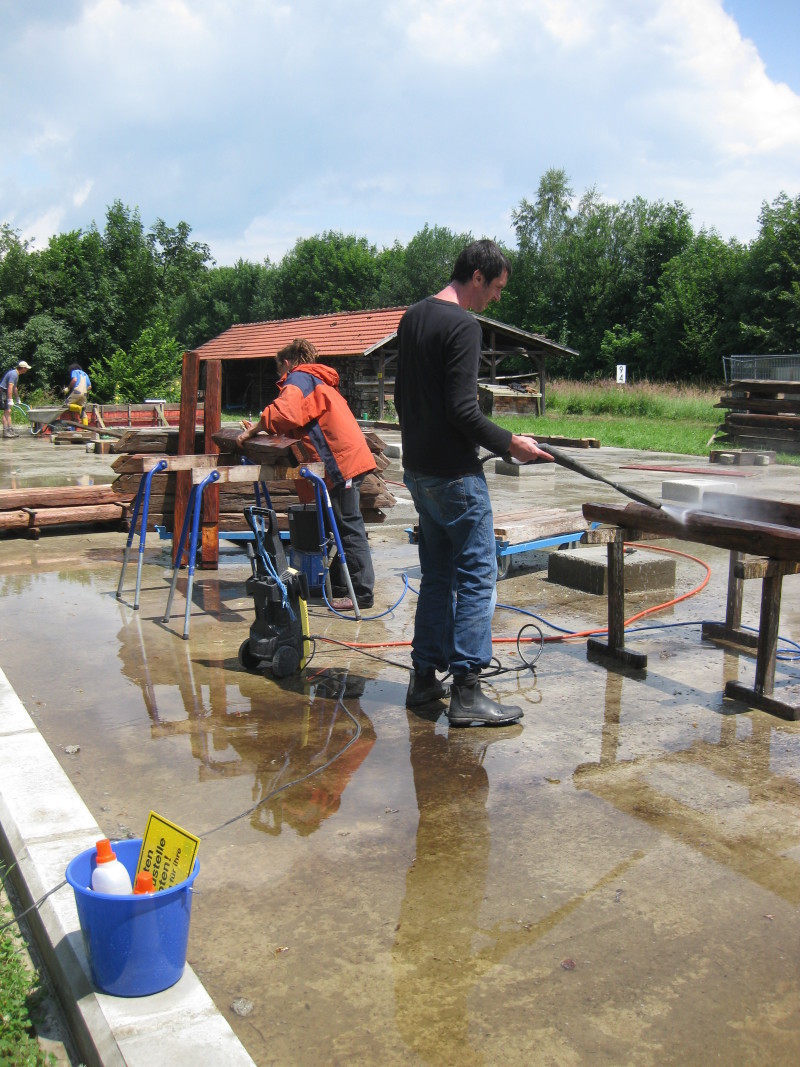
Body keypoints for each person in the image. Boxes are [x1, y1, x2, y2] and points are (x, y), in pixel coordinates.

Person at [395, 239, 553, 727]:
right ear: (478, 277)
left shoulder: (414, 317)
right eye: (498, 287)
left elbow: (404, 401)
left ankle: (424, 680)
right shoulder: (463, 325)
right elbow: (463, 411)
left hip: (420, 475)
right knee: (478, 576)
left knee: (439, 578)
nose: (497, 298)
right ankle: (467, 690)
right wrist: (511, 443)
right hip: (456, 479)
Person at [237, 338, 376, 610]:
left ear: (287, 363)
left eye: (279, 371)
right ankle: (339, 584)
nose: (280, 377)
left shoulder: (300, 378)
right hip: (344, 457)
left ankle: (361, 595)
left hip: (340, 461)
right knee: (339, 525)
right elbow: (299, 418)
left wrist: (255, 429)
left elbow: (285, 412)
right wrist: (266, 427)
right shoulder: (314, 379)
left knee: (348, 527)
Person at [1, 360, 31, 439]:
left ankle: (10, 430)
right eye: (26, 368)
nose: (27, 370)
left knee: (8, 411)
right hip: (3, 392)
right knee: (7, 412)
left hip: (5, 392)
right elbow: (10, 387)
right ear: (23, 368)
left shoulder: (16, 374)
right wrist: (10, 399)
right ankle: (5, 431)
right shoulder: (14, 374)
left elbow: (15, 388)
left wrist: (17, 398)